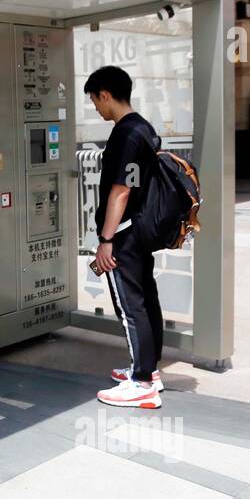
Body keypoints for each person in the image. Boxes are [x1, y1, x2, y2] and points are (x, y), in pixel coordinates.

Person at [85, 65, 164, 409]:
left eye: (95, 101)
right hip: (140, 230)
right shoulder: (143, 128)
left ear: (105, 93)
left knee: (131, 306)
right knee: (146, 299)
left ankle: (141, 383)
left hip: (124, 233)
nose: (96, 109)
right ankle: (147, 369)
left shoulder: (125, 135)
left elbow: (121, 191)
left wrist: (106, 240)